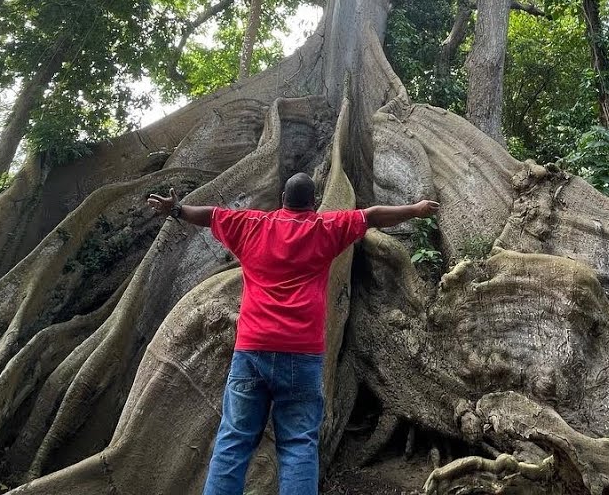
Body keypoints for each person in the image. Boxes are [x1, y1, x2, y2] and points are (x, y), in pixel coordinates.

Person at [146, 172, 439, 495]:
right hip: (302, 355)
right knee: (299, 445)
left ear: (282, 200)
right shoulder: (323, 229)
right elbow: (370, 216)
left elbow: (211, 215)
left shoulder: (251, 225)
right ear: (313, 205)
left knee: (234, 440)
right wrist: (415, 209)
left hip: (252, 352)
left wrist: (176, 210)